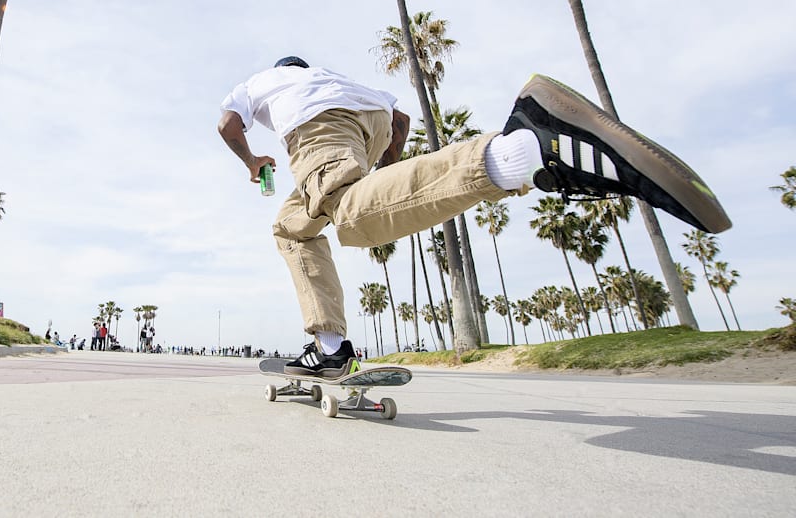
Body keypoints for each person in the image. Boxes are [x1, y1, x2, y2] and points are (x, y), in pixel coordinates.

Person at [218, 56, 731, 378]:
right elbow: (398, 120)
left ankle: (519, 151)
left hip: (318, 130)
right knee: (290, 227)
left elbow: (227, 124)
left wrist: (253, 161)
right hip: (367, 122)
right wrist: (392, 166)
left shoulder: (262, 81)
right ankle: (330, 344)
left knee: (351, 215)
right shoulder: (331, 75)